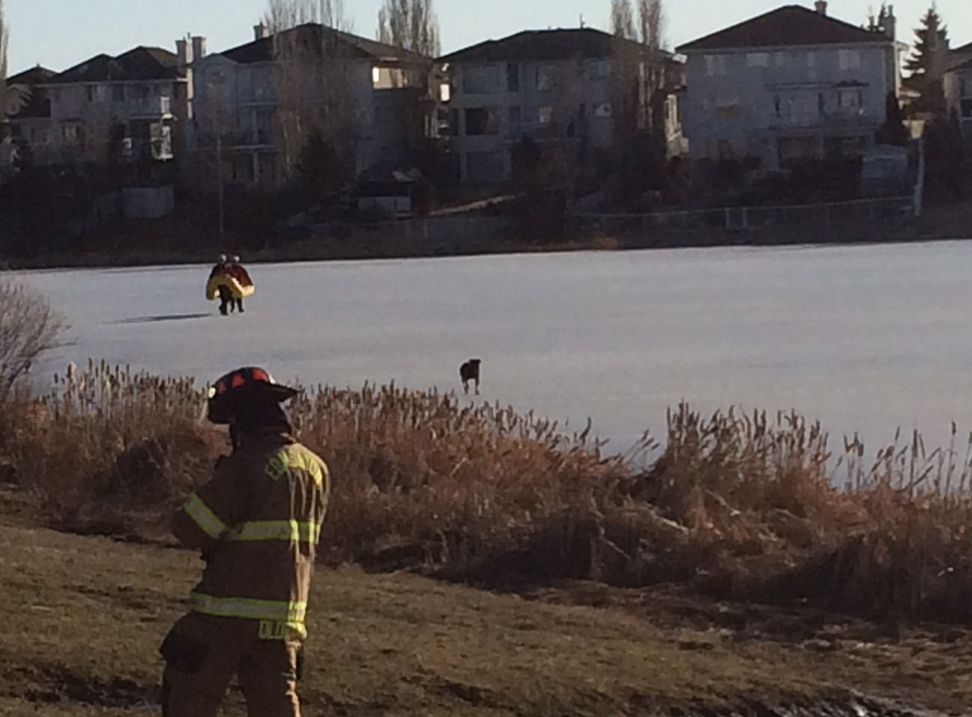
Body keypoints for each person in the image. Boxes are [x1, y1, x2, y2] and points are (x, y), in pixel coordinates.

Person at [160, 367, 330, 717]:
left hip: (225, 612)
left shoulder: (248, 464)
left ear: (241, 422)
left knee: (188, 696)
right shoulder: (315, 468)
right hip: (284, 619)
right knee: (277, 706)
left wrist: (218, 481)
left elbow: (190, 527)